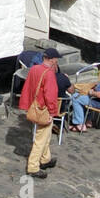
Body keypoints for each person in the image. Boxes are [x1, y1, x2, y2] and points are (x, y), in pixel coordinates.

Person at [19, 48, 60, 178]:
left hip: (34, 106)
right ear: (52, 59)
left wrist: (28, 104)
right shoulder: (49, 74)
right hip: (43, 109)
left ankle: (45, 159)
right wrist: (52, 112)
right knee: (41, 139)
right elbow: (51, 95)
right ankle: (33, 167)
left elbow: (28, 88)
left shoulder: (34, 69)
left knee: (45, 135)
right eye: (56, 59)